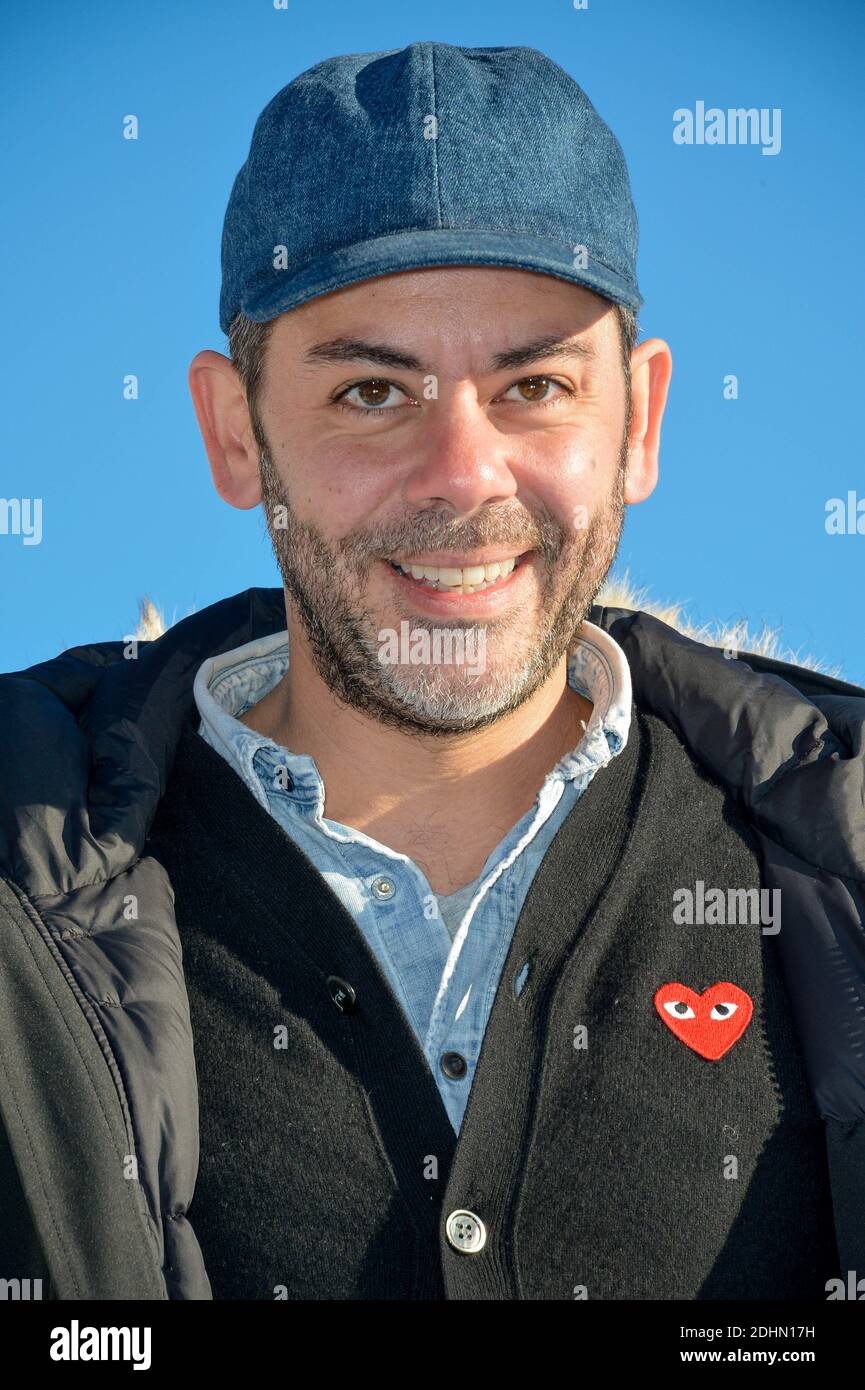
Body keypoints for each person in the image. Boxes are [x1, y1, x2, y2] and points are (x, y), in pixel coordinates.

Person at [1, 41, 863, 1302]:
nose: (463, 477)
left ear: (641, 419)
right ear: (235, 433)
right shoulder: (23, 903)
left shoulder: (834, 871)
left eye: (535, 385)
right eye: (369, 390)